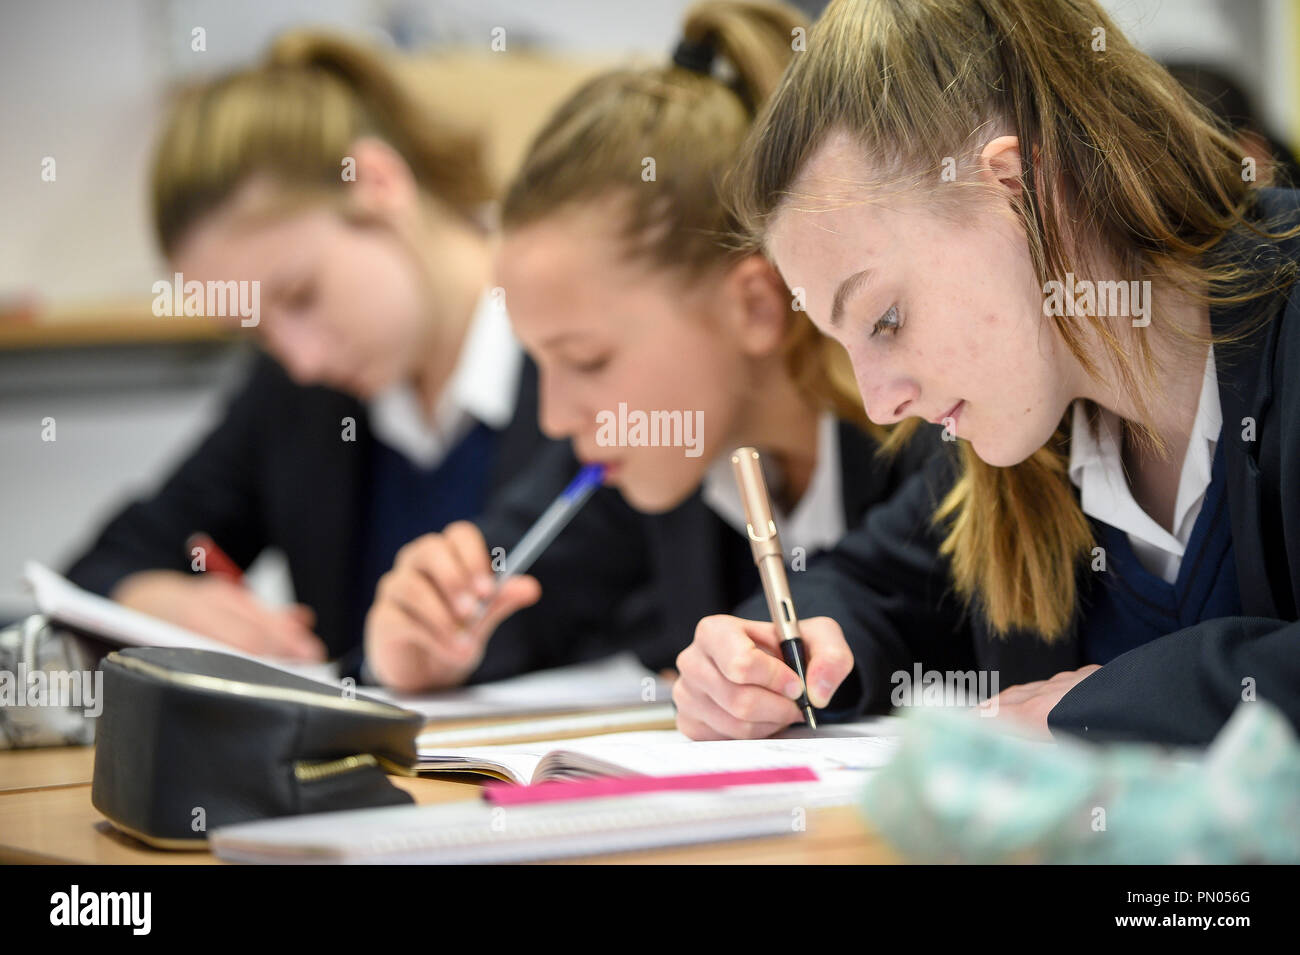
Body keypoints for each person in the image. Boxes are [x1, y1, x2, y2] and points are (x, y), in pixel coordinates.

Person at [672, 0, 1300, 745]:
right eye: (845, 343)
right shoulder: (1033, 425)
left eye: (886, 320)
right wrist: (771, 653)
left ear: (1024, 191)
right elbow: (873, 588)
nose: (879, 403)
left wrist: (1114, 699)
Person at [361, 0, 938, 693]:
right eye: (538, 363)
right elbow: (517, 601)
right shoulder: (648, 460)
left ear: (753, 306)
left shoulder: (937, 425)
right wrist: (417, 635)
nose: (554, 417)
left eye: (587, 360)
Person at [66, 32, 552, 674]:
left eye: (300, 296)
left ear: (376, 183)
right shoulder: (299, 395)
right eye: (259, 332)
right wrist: (164, 600)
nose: (300, 359)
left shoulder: (578, 351)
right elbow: (110, 561)